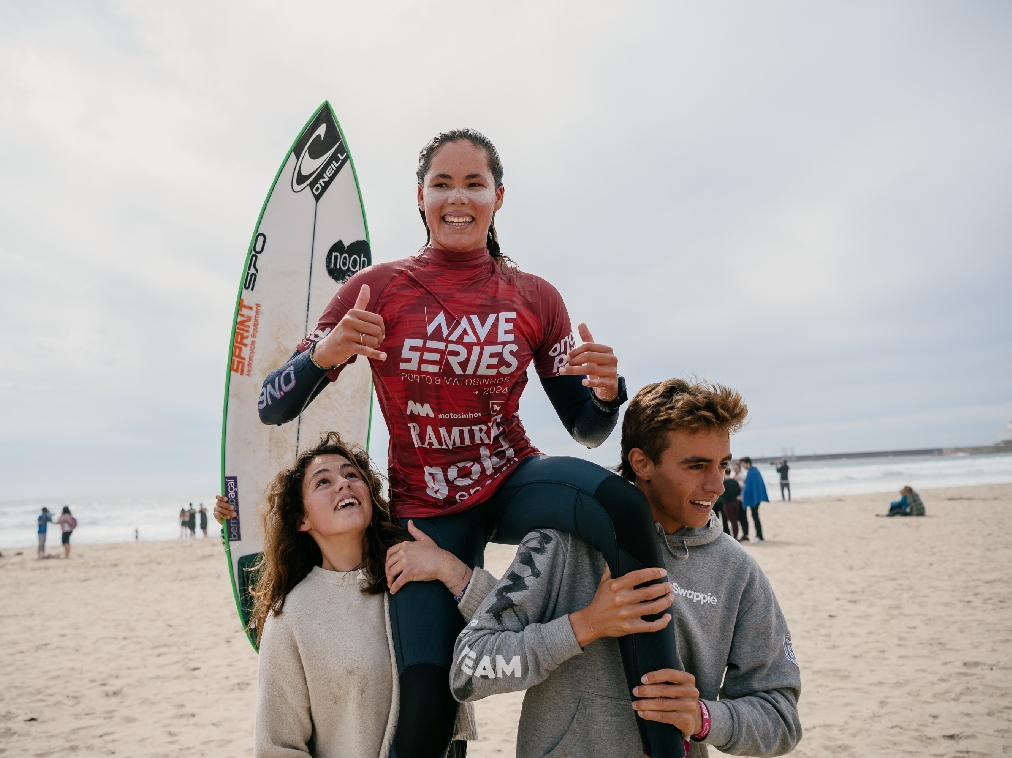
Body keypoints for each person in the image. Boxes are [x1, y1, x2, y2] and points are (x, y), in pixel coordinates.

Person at [231, 129, 683, 758]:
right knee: (427, 701)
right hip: (426, 514)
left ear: (499, 197)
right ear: (420, 197)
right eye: (442, 183)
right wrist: (325, 353)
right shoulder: (378, 288)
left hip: (511, 479)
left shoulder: (535, 297)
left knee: (627, 509)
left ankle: (667, 740)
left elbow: (586, 428)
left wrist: (607, 394)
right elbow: (272, 404)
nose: (458, 197)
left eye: (475, 183)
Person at [449, 379, 802, 757]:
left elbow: (781, 720)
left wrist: (702, 717)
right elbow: (469, 670)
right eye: (697, 466)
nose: (716, 484)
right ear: (641, 462)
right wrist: (586, 624)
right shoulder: (563, 542)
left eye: (723, 465)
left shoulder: (738, 571)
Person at [243, 432, 498, 758]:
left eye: (352, 475)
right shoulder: (292, 615)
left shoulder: (416, 568)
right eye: (323, 482)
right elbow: (277, 747)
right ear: (301, 519)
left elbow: (510, 627)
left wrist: (450, 569)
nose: (343, 483)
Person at [740, 457, 769, 542]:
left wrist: (742, 486)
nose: (743, 466)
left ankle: (759, 536)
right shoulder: (754, 471)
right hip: (756, 498)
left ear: (747, 463)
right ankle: (759, 535)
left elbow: (749, 487)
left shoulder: (752, 472)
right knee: (755, 516)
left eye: (743, 464)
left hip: (755, 499)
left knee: (755, 516)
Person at [719, 469, 742, 539]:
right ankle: (736, 536)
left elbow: (722, 494)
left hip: (727, 503)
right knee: (735, 520)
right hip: (735, 502)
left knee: (732, 521)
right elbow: (738, 491)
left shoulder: (724, 483)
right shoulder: (734, 481)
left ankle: (735, 537)